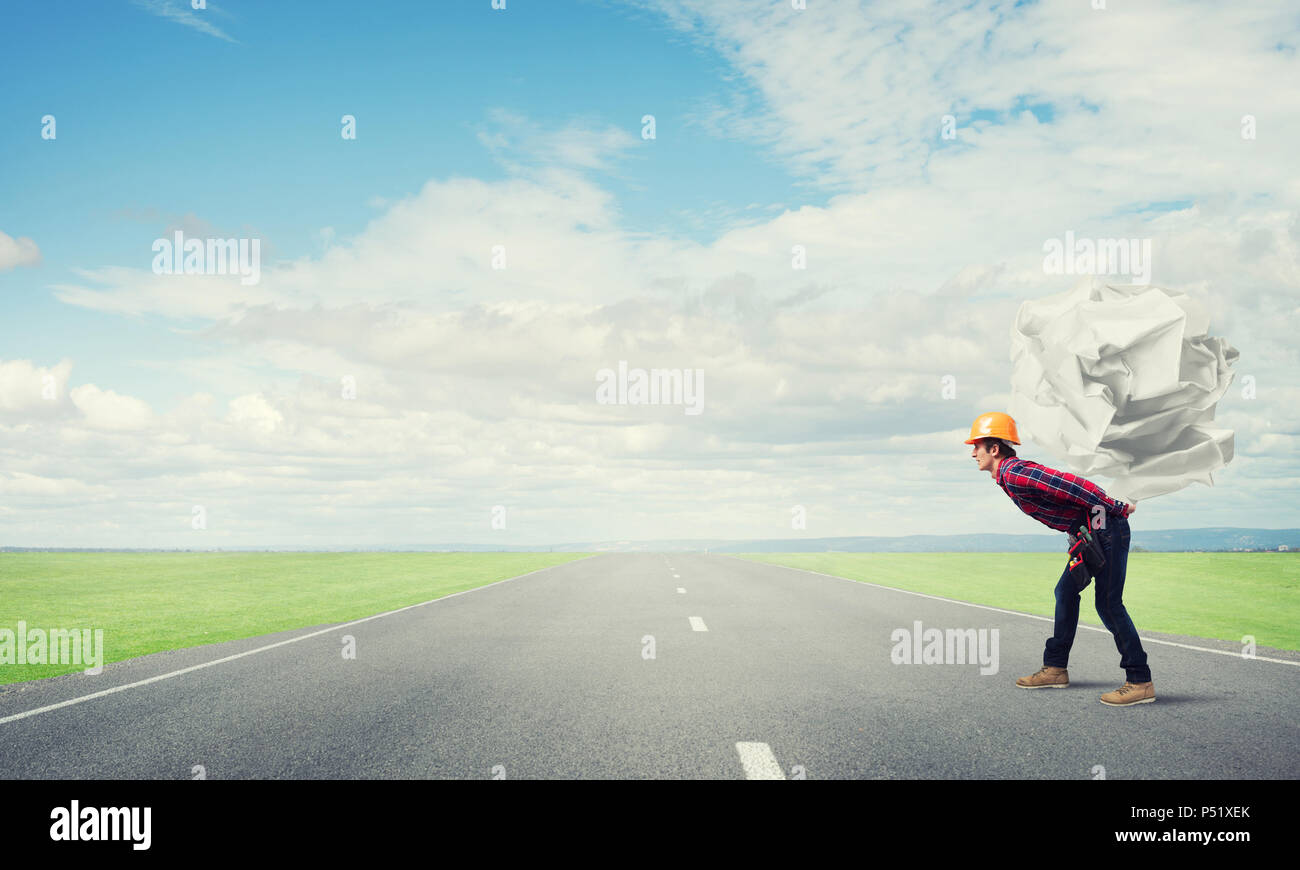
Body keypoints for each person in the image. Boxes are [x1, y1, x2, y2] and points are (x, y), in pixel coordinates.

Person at [965, 412, 1154, 707]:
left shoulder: (1015, 472)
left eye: (977, 446)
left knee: (1108, 604)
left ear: (994, 449)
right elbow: (1067, 504)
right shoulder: (1007, 476)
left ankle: (1140, 681)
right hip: (1091, 532)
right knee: (1065, 592)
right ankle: (1055, 669)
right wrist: (1076, 536)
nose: (972, 452)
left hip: (1106, 529)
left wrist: (1114, 506)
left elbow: (1073, 485)